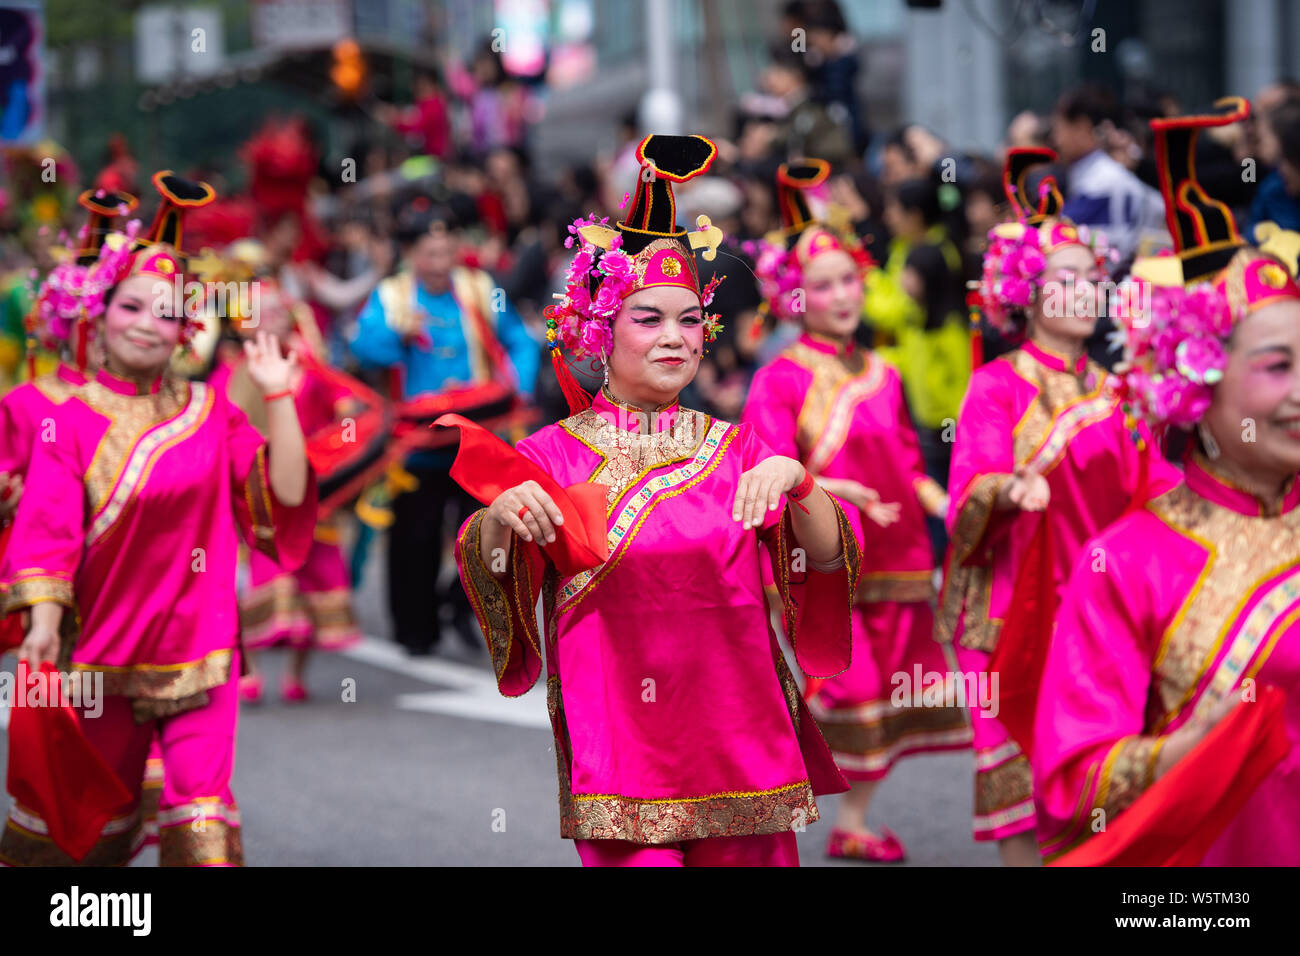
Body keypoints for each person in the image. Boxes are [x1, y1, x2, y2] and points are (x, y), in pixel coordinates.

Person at [454, 134, 861, 867]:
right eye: (649, 319)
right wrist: (500, 519)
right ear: (599, 330)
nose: (676, 338)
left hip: (742, 748)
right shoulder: (551, 453)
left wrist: (801, 483)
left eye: (688, 320)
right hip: (621, 756)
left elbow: (827, 559)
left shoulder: (734, 447)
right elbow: (490, 562)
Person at [0, 172, 317, 866]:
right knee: (93, 843)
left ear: (186, 331)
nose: (147, 322)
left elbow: (285, 496)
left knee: (202, 831)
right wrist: (44, 627)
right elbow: (47, 532)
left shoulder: (210, 412)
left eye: (167, 311)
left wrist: (280, 397)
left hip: (201, 656)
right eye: (131, 306)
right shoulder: (65, 419)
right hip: (100, 659)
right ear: (99, 312)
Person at [1036, 102, 1300, 864]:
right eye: (1276, 367)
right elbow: (1073, 778)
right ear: (1196, 385)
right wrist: (1182, 749)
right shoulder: (1127, 560)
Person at [936, 148, 1179, 866]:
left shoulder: (1121, 389)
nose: (1084, 293)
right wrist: (1008, 489)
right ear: (1029, 294)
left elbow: (1157, 489)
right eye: (1064, 280)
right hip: (1013, 605)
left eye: (1091, 279)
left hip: (1101, 611)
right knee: (1019, 798)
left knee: (1099, 784)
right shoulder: (998, 388)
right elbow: (966, 493)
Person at [743, 160, 969, 862]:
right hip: (825, 559)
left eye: (849, 280)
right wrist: (835, 492)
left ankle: (854, 821)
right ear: (794, 297)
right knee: (849, 688)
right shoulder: (778, 378)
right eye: (822, 285)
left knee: (893, 695)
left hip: (899, 555)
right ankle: (783, 801)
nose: (842, 296)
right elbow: (768, 469)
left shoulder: (885, 373)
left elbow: (906, 461)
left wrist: (951, 504)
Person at [348, 210, 539, 656]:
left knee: (490, 531)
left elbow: (520, 340)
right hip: (416, 443)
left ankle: (459, 601)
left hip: (476, 435)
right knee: (414, 537)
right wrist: (398, 333)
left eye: (446, 249)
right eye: (429, 251)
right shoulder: (392, 296)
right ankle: (415, 629)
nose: (439, 259)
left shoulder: (479, 289)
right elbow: (361, 346)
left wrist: (517, 389)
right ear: (412, 253)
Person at [208, 263, 365, 703]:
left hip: (311, 493)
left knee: (313, 585)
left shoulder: (313, 370)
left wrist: (343, 438)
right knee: (254, 582)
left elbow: (347, 408)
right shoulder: (232, 374)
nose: (271, 318)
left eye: (277, 311)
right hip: (254, 496)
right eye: (260, 312)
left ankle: (296, 674)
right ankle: (249, 670)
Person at [1052, 84, 1166, 264]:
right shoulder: (1102, 174)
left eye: (1059, 128)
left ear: (1082, 127)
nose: (1056, 140)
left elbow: (1058, 235)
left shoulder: (1103, 181)